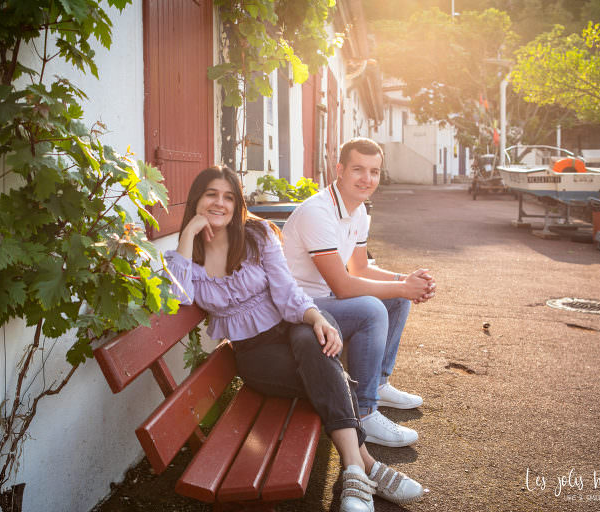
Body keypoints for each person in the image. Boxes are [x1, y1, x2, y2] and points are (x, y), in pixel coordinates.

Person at [164, 166, 426, 511]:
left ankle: (353, 471)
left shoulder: (256, 235)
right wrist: (189, 235)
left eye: (229, 196)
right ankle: (365, 466)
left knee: (314, 343)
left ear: (237, 203)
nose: (220, 203)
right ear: (196, 199)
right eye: (211, 194)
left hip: (294, 324)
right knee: (327, 371)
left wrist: (317, 316)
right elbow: (174, 299)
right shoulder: (187, 257)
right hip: (257, 354)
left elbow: (288, 292)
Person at [282, 137, 436, 448]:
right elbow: (343, 285)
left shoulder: (359, 211)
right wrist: (404, 286)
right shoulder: (318, 212)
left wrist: (404, 281)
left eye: (374, 171)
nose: (367, 179)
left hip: (326, 299)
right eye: (358, 170)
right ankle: (364, 412)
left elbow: (360, 269)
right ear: (339, 170)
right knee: (371, 308)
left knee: (394, 297)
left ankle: (378, 384)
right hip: (297, 306)